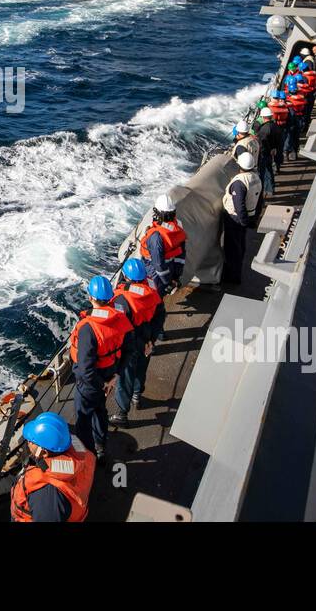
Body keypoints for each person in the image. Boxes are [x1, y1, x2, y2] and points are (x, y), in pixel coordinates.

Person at [68, 276, 134, 460]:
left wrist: (100, 385)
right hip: (109, 374)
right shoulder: (120, 318)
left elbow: (85, 369)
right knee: (100, 412)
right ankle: (101, 447)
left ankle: (87, 457)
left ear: (91, 298)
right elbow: (129, 350)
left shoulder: (88, 328)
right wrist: (115, 377)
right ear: (110, 297)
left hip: (90, 384)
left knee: (83, 420)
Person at [10, 411, 96, 522]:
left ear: (44, 452)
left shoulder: (46, 494)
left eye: (32, 441)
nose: (28, 442)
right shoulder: (72, 446)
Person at [109, 258, 164, 427]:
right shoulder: (152, 289)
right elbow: (160, 316)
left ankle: (121, 414)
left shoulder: (121, 300)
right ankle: (137, 396)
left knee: (125, 377)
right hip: (147, 338)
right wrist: (151, 340)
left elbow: (118, 326)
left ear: (125, 276)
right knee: (141, 368)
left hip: (130, 343)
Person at [220, 151, 262, 285]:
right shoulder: (256, 178)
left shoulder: (239, 182)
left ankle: (233, 277)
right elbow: (260, 200)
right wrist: (253, 219)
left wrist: (243, 222)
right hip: (248, 217)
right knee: (240, 244)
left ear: (240, 165)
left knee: (232, 248)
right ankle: (235, 271)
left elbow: (239, 205)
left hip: (235, 219)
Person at [140, 194, 187, 296]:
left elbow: (158, 264)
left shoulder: (156, 236)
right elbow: (181, 254)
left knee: (155, 296)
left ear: (157, 212)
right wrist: (176, 277)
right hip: (171, 268)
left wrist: (167, 283)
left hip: (155, 272)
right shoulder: (178, 227)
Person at [253, 106, 281, 197]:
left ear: (263, 117)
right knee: (270, 170)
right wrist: (274, 148)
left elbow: (261, 143)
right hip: (272, 152)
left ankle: (262, 191)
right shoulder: (275, 126)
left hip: (264, 153)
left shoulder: (264, 129)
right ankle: (271, 189)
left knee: (262, 172)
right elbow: (278, 139)